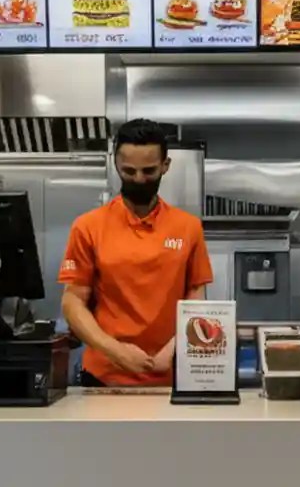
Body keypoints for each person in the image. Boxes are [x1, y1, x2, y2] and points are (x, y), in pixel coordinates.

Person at [58, 119, 213, 387]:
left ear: (166, 165)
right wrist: (115, 351)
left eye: (149, 171)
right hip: (104, 377)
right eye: (129, 171)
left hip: (171, 374)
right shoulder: (88, 227)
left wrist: (175, 347)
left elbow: (196, 297)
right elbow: (73, 302)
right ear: (116, 165)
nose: (139, 179)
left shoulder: (188, 227)